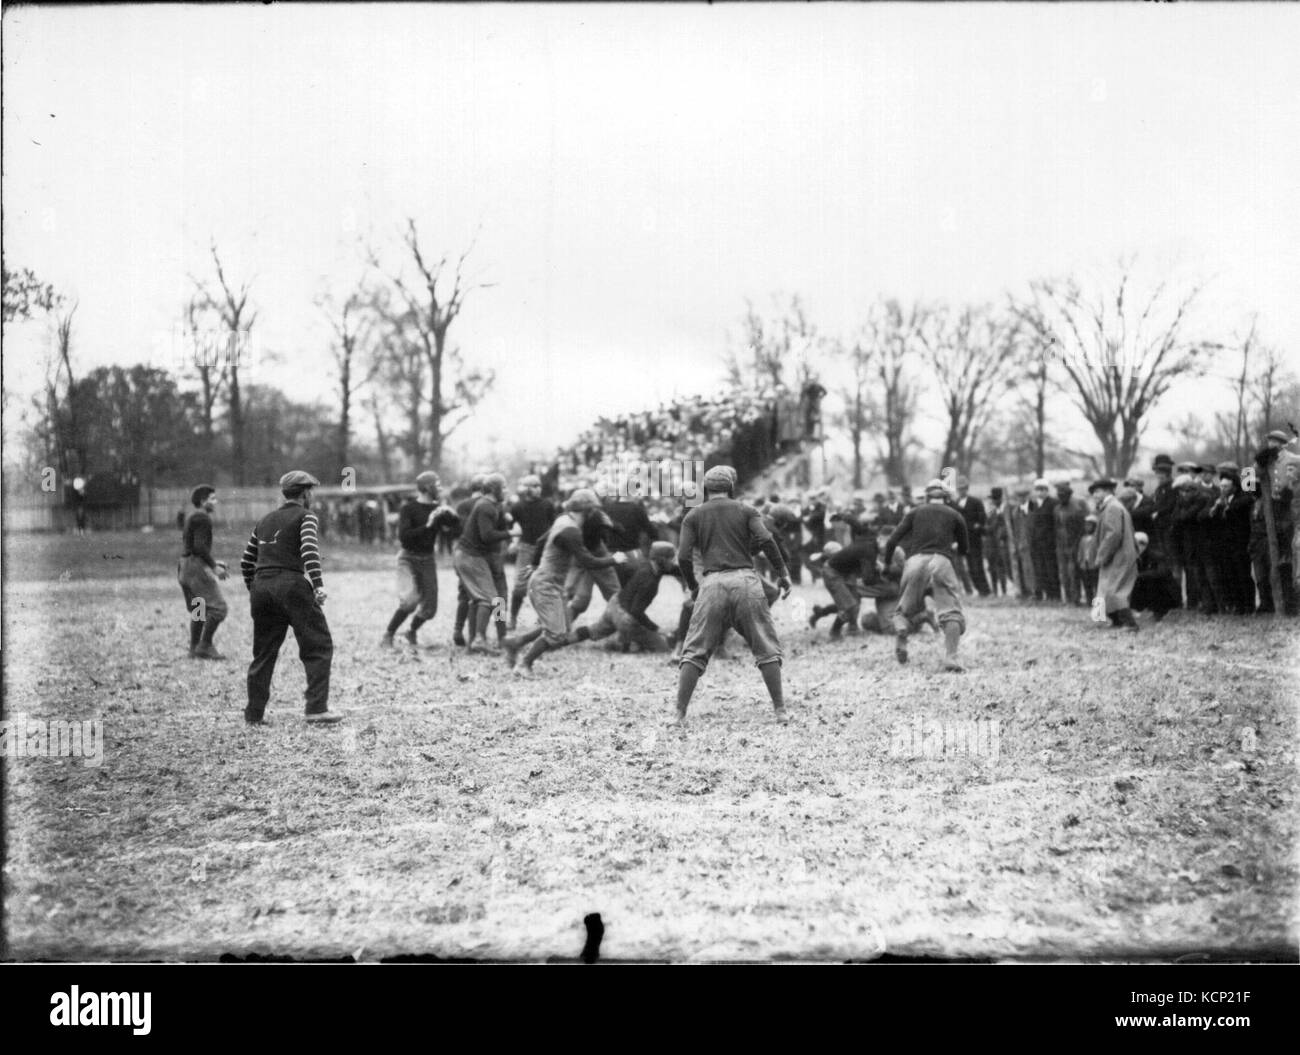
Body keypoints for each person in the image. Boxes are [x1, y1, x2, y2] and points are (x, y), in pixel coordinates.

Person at [673, 465, 792, 725]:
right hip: (746, 580)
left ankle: (680, 713)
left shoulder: (693, 515)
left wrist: (694, 585)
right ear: (731, 487)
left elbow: (682, 556)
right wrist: (782, 573)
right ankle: (780, 710)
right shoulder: (746, 510)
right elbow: (766, 540)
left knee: (694, 649)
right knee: (765, 645)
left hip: (712, 581)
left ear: (706, 489)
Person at [239, 471, 340, 725]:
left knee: (263, 652)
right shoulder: (306, 516)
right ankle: (316, 708)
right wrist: (318, 585)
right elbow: (309, 550)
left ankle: (254, 714)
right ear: (305, 494)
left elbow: (245, 561)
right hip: (291, 585)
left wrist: (256, 588)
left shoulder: (264, 520)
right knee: (319, 644)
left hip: (261, 586)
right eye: (311, 493)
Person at [502, 489, 627, 674]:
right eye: (593, 510)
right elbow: (588, 561)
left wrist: (535, 564)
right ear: (588, 510)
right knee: (557, 633)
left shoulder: (563, 519)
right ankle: (524, 664)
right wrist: (614, 559)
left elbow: (541, 540)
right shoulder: (571, 531)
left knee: (561, 625)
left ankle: (516, 642)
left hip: (550, 583)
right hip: (546, 585)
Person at [884, 478, 970, 671]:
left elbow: (891, 542)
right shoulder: (955, 515)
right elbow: (965, 548)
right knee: (951, 611)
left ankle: (902, 629)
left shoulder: (914, 512)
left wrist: (887, 565)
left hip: (915, 562)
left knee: (903, 610)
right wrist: (952, 548)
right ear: (946, 497)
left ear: (926, 496)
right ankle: (951, 657)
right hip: (942, 562)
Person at [381, 471, 460, 650]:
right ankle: (388, 634)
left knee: (430, 609)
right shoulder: (408, 509)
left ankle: (411, 631)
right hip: (407, 558)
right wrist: (429, 525)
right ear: (427, 487)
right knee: (410, 601)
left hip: (427, 559)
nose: (439, 489)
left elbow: (455, 532)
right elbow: (405, 537)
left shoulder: (437, 508)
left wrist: (453, 517)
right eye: (437, 485)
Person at [575, 541, 679, 653]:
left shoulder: (648, 566)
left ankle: (563, 639)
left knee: (594, 630)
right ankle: (624, 642)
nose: (673, 562)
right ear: (661, 560)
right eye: (671, 559)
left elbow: (675, 570)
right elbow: (636, 612)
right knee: (663, 649)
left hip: (614, 605)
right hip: (626, 618)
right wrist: (658, 629)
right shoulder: (650, 582)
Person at [454, 472, 513, 652]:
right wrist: (512, 534)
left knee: (493, 599)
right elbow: (488, 535)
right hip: (476, 557)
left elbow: (500, 528)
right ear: (493, 489)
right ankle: (481, 640)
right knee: (490, 599)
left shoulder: (495, 506)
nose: (507, 490)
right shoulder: (485, 506)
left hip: (487, 557)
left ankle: (495, 638)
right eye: (503, 487)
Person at [178, 484, 230, 660]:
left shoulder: (192, 516)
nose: (216, 502)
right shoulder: (203, 517)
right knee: (219, 609)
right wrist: (214, 567)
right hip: (195, 567)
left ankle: (194, 648)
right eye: (212, 499)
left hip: (185, 566)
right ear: (203, 501)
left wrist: (212, 562)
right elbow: (199, 547)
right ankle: (205, 645)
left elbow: (192, 546)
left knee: (199, 607)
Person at [507, 474, 557, 630]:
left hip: (545, 550)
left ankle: (543, 620)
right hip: (526, 548)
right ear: (526, 489)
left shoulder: (548, 505)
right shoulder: (518, 507)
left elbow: (554, 526)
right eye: (534, 486)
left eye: (539, 486)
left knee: (544, 586)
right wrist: (513, 541)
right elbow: (510, 525)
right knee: (519, 588)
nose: (538, 489)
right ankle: (509, 619)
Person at [1090, 478, 1139, 631]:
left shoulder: (1112, 507)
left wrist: (1101, 556)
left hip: (1118, 555)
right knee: (1111, 589)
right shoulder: (1113, 506)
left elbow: (1113, 534)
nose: (1094, 495)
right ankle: (1117, 621)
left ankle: (1129, 624)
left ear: (1108, 491)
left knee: (1115, 590)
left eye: (1097, 491)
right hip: (1120, 554)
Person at [952, 476, 991, 597]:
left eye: (963, 488)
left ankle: (985, 590)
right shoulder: (956, 503)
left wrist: (978, 526)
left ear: (967, 488)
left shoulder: (976, 502)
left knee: (977, 565)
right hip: (963, 540)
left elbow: (983, 518)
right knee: (969, 566)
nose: (961, 491)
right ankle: (978, 589)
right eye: (959, 489)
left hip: (974, 539)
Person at [1130, 531, 1182, 622]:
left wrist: (1139, 575)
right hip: (1149, 585)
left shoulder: (1156, 556)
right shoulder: (1135, 557)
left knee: (1150, 581)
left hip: (1165, 591)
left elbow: (1162, 573)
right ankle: (1139, 609)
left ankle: (1158, 611)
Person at [1053, 480, 1089, 605]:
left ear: (1069, 495)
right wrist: (1058, 544)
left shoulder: (1077, 508)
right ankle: (1067, 597)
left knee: (1074, 572)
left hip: (1075, 544)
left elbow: (1082, 528)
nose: (1060, 497)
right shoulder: (1057, 509)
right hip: (1061, 545)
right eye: (1059, 495)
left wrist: (1076, 545)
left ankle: (1076, 598)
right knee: (1063, 573)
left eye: (1063, 495)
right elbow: (1056, 527)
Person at [1029, 479, 1060, 601]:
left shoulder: (1053, 503)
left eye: (1043, 490)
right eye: (1038, 490)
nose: (1040, 492)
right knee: (1040, 569)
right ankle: (1044, 593)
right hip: (1036, 543)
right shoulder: (1034, 504)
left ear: (1047, 490)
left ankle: (1054, 594)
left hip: (1049, 542)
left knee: (1051, 568)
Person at [985, 487, 1011, 597]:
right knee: (993, 567)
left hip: (1004, 543)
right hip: (992, 543)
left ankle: (1004, 590)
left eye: (995, 499)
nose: (993, 501)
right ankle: (995, 591)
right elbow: (988, 527)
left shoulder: (1006, 509)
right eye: (992, 499)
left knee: (1003, 568)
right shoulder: (992, 512)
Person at [1077, 514, 1100, 604]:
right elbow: (1080, 550)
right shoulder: (1083, 538)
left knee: (1095, 583)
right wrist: (1079, 560)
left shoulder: (1097, 539)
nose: (1087, 527)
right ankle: (1089, 599)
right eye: (1086, 525)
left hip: (1093, 564)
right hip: (1084, 564)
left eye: (1090, 525)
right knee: (1086, 583)